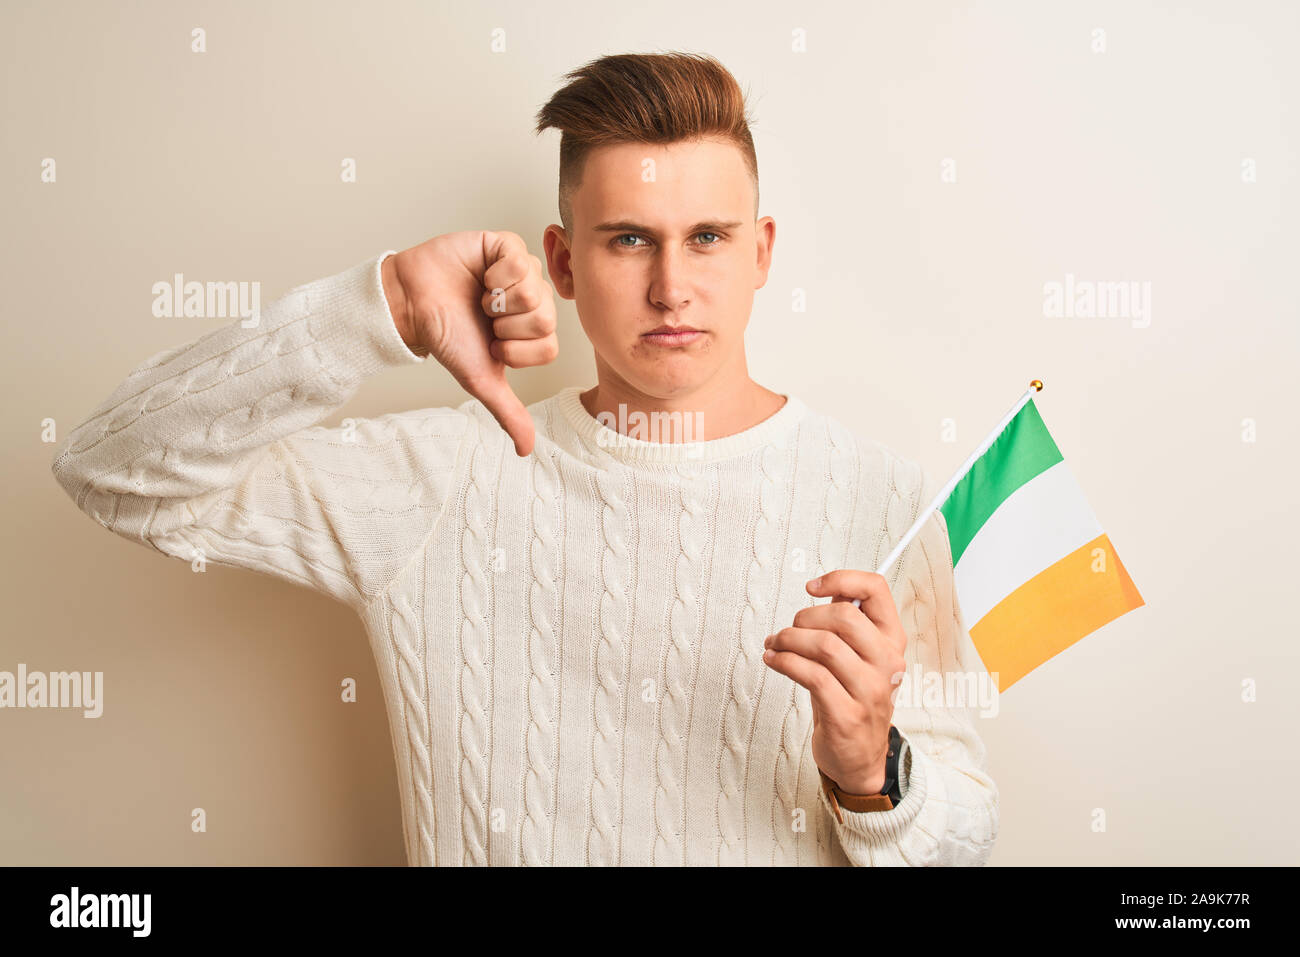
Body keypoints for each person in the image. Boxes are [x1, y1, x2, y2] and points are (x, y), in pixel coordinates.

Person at [50, 51, 997, 866]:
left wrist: (874, 775)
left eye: (707, 237)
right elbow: (112, 472)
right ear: (565, 261)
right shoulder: (439, 478)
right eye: (630, 240)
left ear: (761, 253)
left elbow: (968, 841)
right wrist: (380, 305)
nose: (672, 287)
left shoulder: (887, 500)